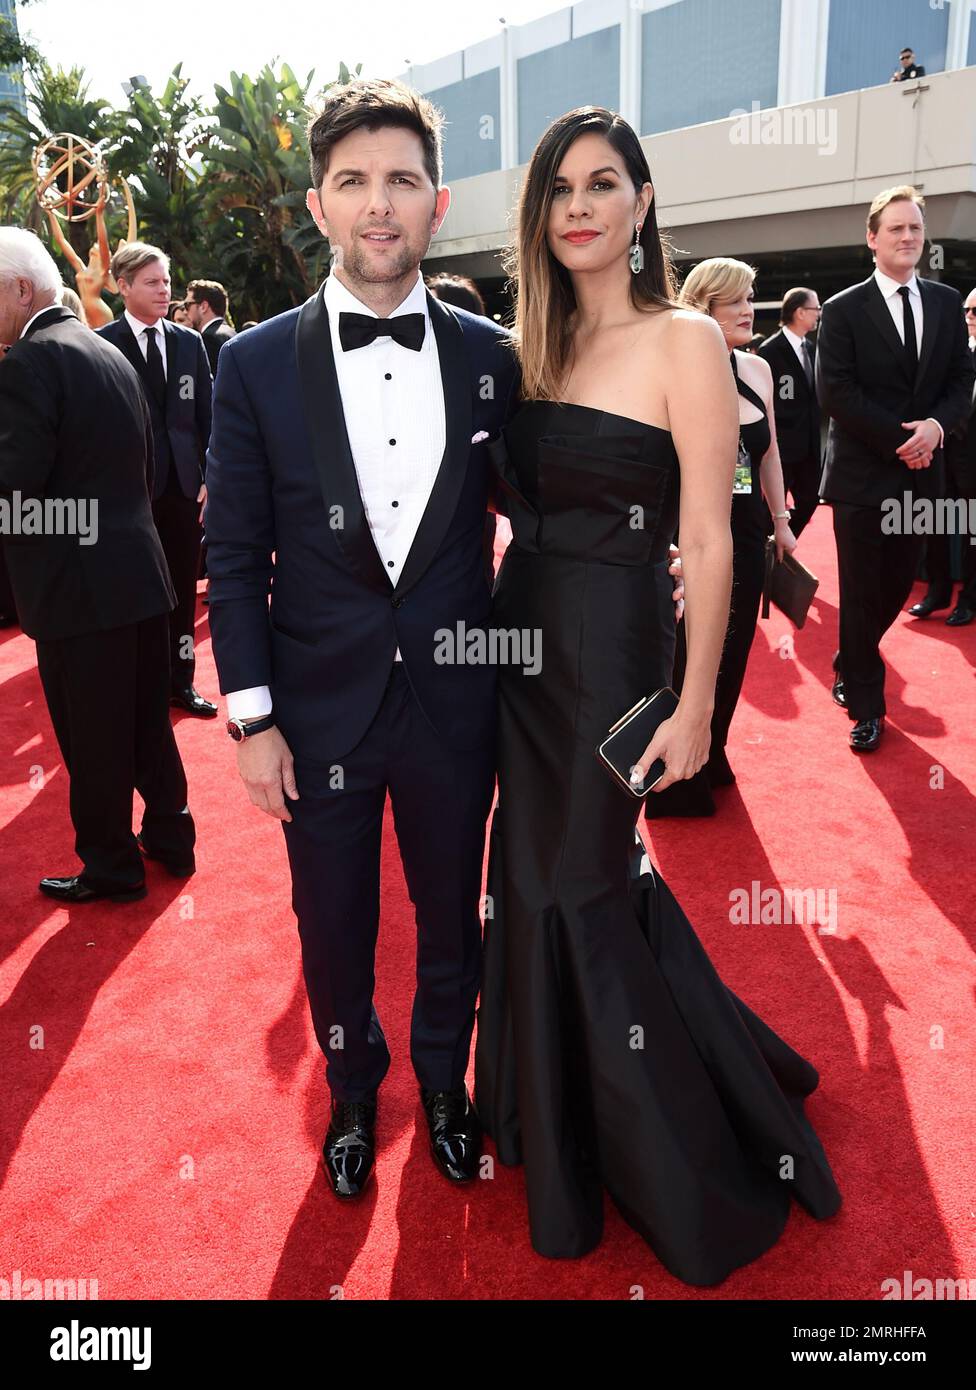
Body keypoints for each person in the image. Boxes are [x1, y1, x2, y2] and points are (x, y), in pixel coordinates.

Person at [473, 107, 841, 1288]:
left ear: (641, 203)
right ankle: (553, 1117)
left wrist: (694, 709)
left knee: (577, 883)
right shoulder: (526, 343)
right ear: (538, 215)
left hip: (613, 651)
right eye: (558, 188)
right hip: (518, 638)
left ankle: (667, 1156)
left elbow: (709, 533)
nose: (578, 205)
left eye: (602, 183)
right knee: (525, 878)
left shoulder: (686, 338)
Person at [203, 78, 520, 1200]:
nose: (378, 204)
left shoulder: (494, 355)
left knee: (451, 909)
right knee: (332, 925)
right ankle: (351, 1091)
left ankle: (443, 1081)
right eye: (354, 182)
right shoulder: (249, 364)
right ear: (319, 203)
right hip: (314, 708)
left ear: (439, 201)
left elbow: (540, 513)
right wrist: (250, 718)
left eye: (401, 180)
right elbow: (233, 556)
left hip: (456, 705)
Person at [0, 227, 195, 902]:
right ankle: (172, 837)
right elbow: (138, 471)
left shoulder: (29, 363)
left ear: (21, 289)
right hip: (138, 574)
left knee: (93, 736)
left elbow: (14, 490)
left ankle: (112, 864)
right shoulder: (105, 350)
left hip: (79, 590)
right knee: (145, 721)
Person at [817, 186, 974, 752]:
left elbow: (961, 380)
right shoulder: (841, 310)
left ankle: (848, 657)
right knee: (860, 593)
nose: (908, 238)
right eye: (896, 230)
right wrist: (900, 440)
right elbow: (836, 393)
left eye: (915, 229)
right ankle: (867, 704)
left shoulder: (945, 302)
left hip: (922, 474)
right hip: (864, 476)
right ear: (872, 239)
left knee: (891, 589)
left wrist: (936, 428)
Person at [645, 257, 796, 818]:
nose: (747, 309)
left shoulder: (758, 370)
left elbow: (770, 452)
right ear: (703, 306)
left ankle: (715, 748)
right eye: (735, 300)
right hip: (690, 534)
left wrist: (781, 523)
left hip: (747, 529)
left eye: (751, 297)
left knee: (733, 650)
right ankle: (674, 774)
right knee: (687, 654)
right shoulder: (678, 365)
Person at [98, 243, 218, 718]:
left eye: (166, 280)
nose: (164, 290)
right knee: (137, 594)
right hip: (131, 495)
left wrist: (212, 475)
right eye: (151, 282)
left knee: (182, 596)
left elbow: (209, 414)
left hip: (185, 491)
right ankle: (141, 687)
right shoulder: (104, 344)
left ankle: (182, 683)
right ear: (123, 287)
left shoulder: (189, 343)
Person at [908, 287, 976, 626]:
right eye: (967, 310)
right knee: (936, 524)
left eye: (975, 312)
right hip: (942, 457)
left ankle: (969, 599)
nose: (968, 317)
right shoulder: (955, 353)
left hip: (972, 461)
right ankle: (937, 591)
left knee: (972, 535)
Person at [758, 287, 823, 538]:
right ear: (799, 312)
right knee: (769, 510)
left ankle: (780, 542)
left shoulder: (812, 348)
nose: (818, 314)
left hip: (809, 445)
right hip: (781, 446)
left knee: (809, 501)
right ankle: (767, 560)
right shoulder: (771, 350)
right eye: (815, 308)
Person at [184, 280, 236, 377]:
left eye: (187, 305)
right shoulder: (232, 332)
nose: (185, 312)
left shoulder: (208, 339)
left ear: (203, 306)